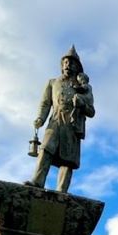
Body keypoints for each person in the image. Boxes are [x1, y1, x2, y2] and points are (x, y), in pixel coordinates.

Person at [27, 45, 95, 192]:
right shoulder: (53, 83)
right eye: (65, 62)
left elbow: (91, 111)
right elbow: (45, 103)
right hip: (56, 121)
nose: (68, 65)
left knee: (68, 161)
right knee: (45, 150)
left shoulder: (84, 87)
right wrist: (40, 118)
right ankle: (37, 182)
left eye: (71, 63)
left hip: (72, 126)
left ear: (78, 67)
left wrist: (82, 104)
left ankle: (62, 190)